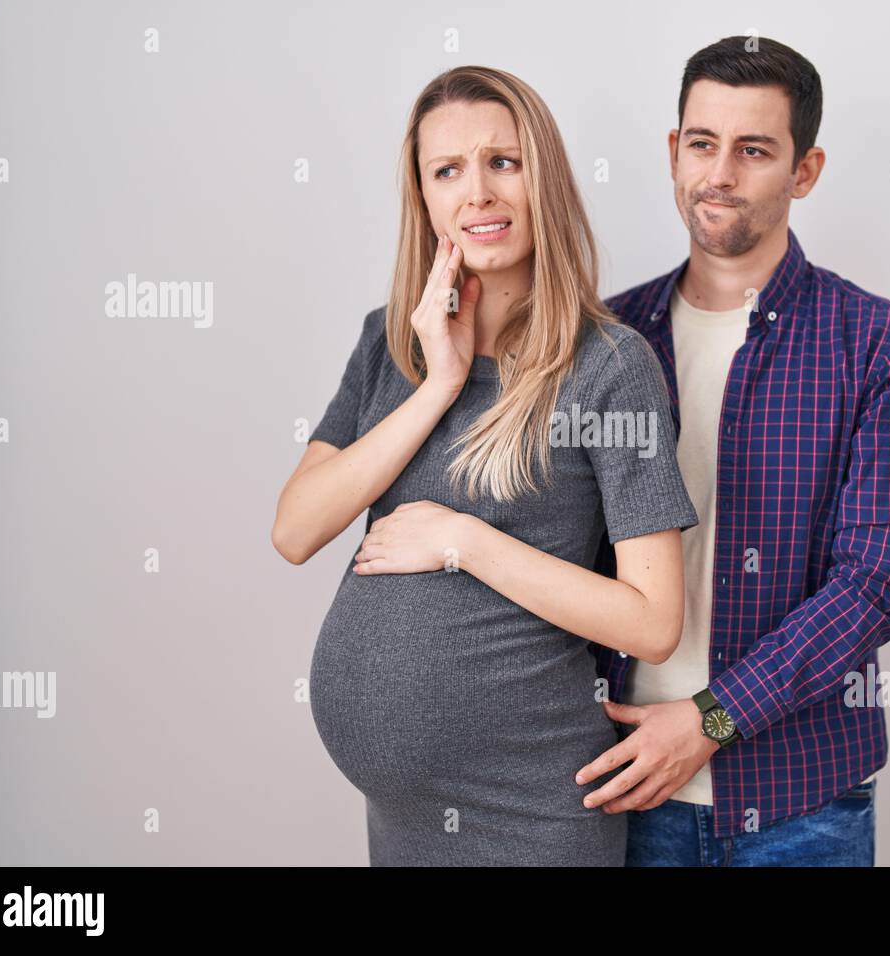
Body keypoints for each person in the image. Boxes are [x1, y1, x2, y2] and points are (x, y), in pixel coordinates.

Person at [271, 66, 698, 866]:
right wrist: (439, 384)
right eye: (449, 171)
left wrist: (461, 539)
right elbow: (295, 530)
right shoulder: (388, 343)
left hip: (532, 811)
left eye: (505, 162)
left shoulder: (613, 366)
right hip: (403, 823)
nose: (480, 194)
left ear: (545, 179)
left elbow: (653, 620)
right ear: (424, 199)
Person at [574, 36, 890, 866]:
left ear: (804, 170)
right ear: (674, 152)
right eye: (702, 143)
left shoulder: (878, 344)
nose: (720, 174)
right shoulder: (603, 341)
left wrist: (712, 718)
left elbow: (882, 582)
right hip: (617, 785)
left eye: (754, 150)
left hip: (803, 800)